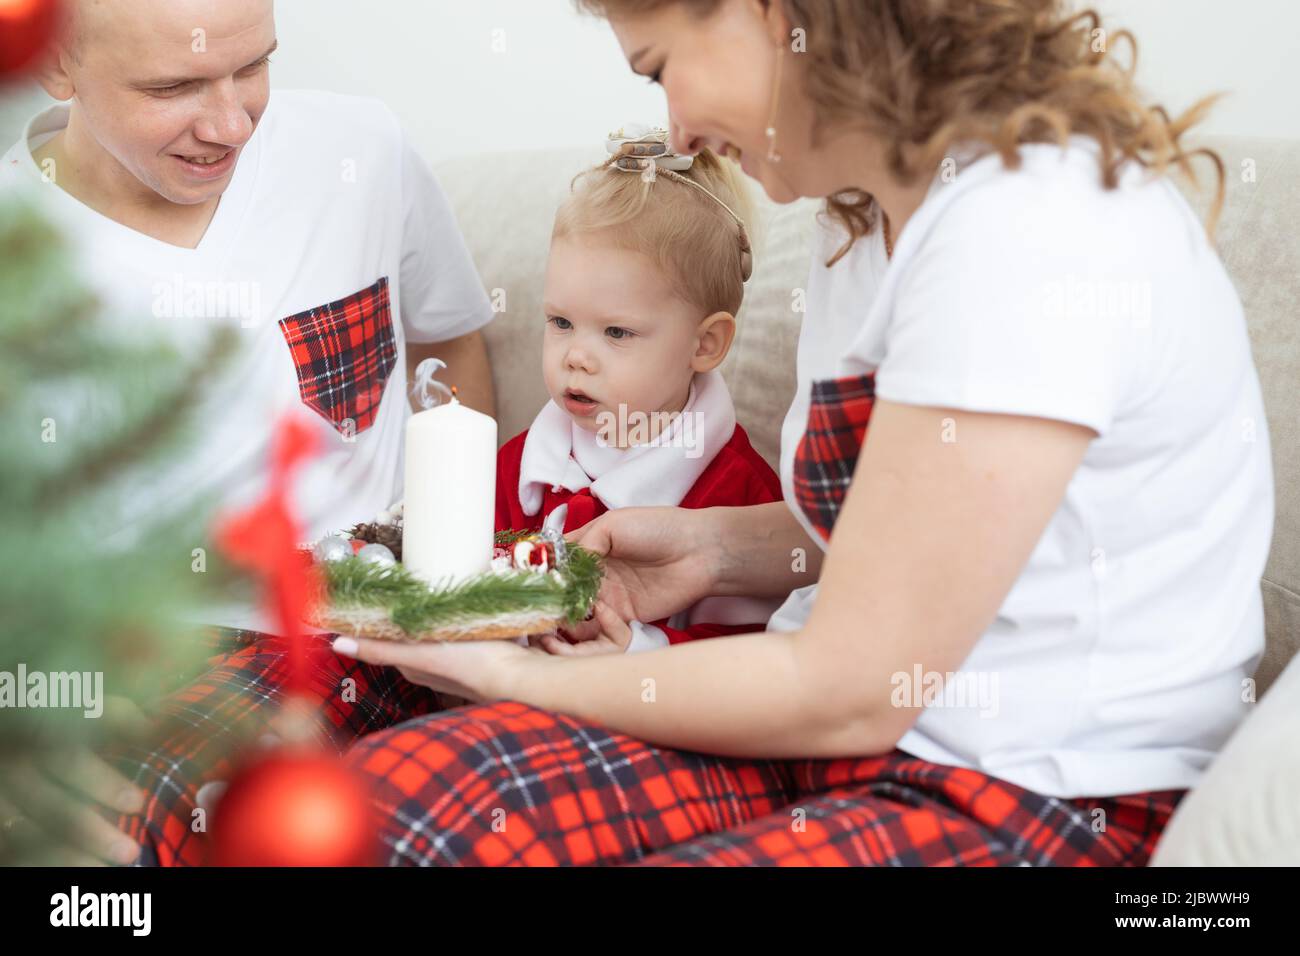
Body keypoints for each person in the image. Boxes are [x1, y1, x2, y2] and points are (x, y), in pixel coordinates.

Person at [331, 0, 1274, 865]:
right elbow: (911, 526)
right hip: (833, 746)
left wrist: (511, 675)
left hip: (1030, 788)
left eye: (660, 69)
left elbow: (854, 689)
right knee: (381, 815)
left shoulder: (1030, 227)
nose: (676, 133)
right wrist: (711, 550)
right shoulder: (859, 224)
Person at [0, 0, 495, 865]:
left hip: (366, 626)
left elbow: (450, 341)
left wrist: (457, 561)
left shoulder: (360, 151)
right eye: (174, 87)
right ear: (56, 64)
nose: (230, 124)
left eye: (253, 66)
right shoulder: (21, 248)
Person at [496, 127, 783, 653]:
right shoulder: (517, 467)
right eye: (560, 322)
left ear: (705, 344)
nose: (575, 356)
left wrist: (634, 652)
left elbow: (746, 654)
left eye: (616, 332)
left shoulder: (741, 497)